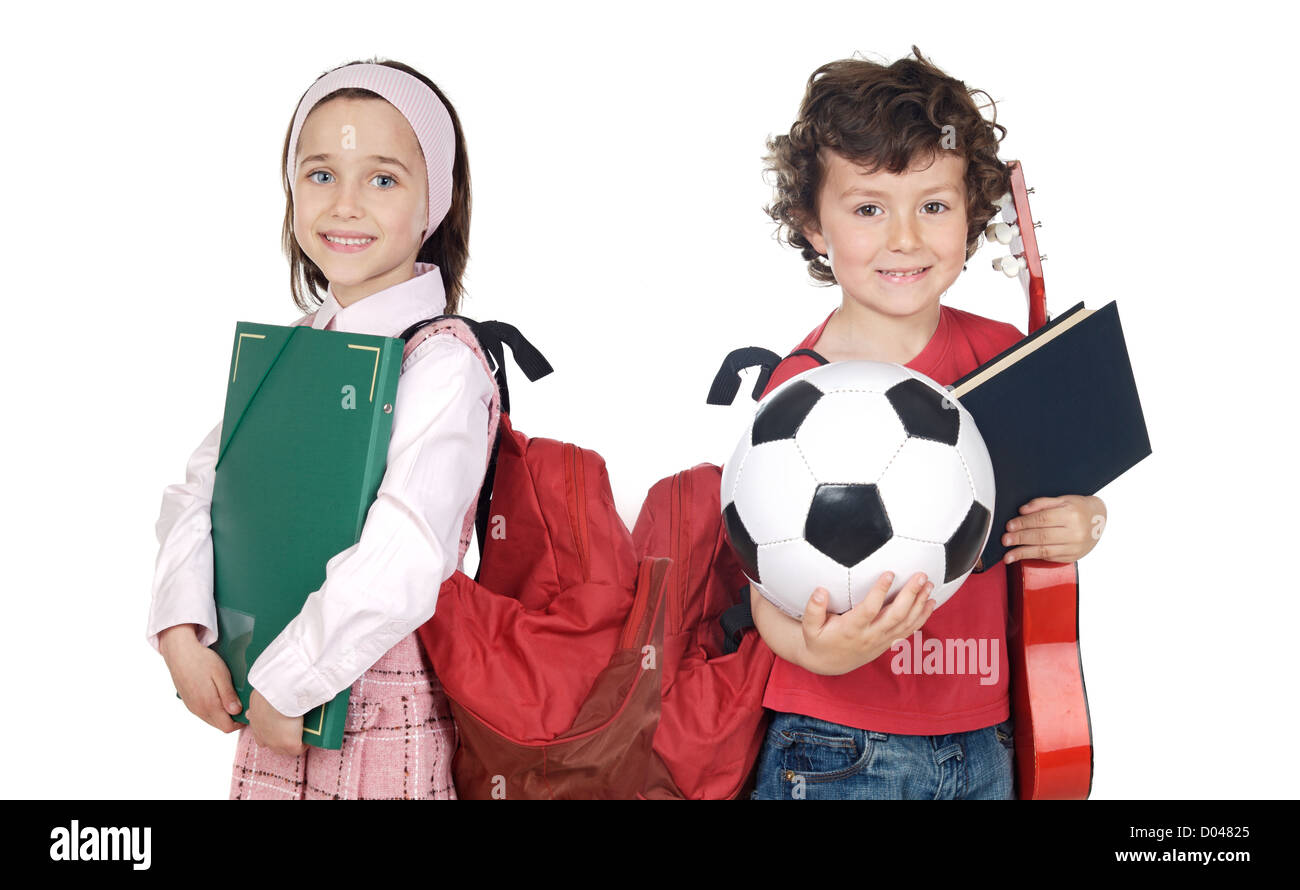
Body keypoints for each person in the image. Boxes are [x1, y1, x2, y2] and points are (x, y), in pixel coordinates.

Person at [748, 47, 1107, 800]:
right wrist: (818, 648)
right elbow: (763, 584)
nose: (904, 238)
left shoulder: (1002, 357)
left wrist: (1083, 519)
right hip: (836, 744)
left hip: (987, 736)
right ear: (814, 225)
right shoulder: (800, 392)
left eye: (933, 206)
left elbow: (1050, 506)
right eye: (868, 207)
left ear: (974, 215)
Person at [145, 59, 492, 799]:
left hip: (375, 724)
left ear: (438, 198)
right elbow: (200, 491)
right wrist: (180, 630)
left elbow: (405, 549)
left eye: (384, 178)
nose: (346, 205)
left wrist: (292, 676)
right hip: (269, 708)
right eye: (321, 174)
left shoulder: (443, 364)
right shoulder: (290, 351)